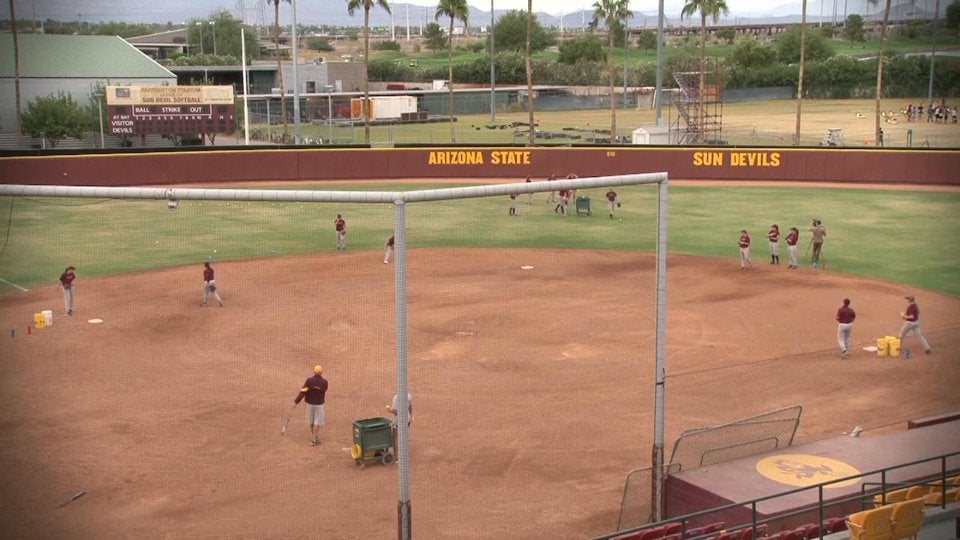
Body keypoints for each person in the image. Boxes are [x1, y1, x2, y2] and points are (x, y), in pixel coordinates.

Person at [294, 365, 329, 446]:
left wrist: (296, 401)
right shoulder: (325, 382)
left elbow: (303, 392)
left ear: (314, 372)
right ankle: (314, 437)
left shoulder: (309, 381)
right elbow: (325, 389)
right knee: (317, 421)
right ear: (321, 373)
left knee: (311, 420)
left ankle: (314, 436)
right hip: (319, 404)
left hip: (309, 404)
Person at [385, 392, 413, 458]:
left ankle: (396, 456)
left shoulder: (396, 398)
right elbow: (410, 407)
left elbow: (396, 412)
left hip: (398, 421)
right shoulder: (408, 396)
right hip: (407, 419)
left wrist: (389, 410)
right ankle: (404, 453)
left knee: (395, 438)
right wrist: (411, 416)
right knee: (404, 436)